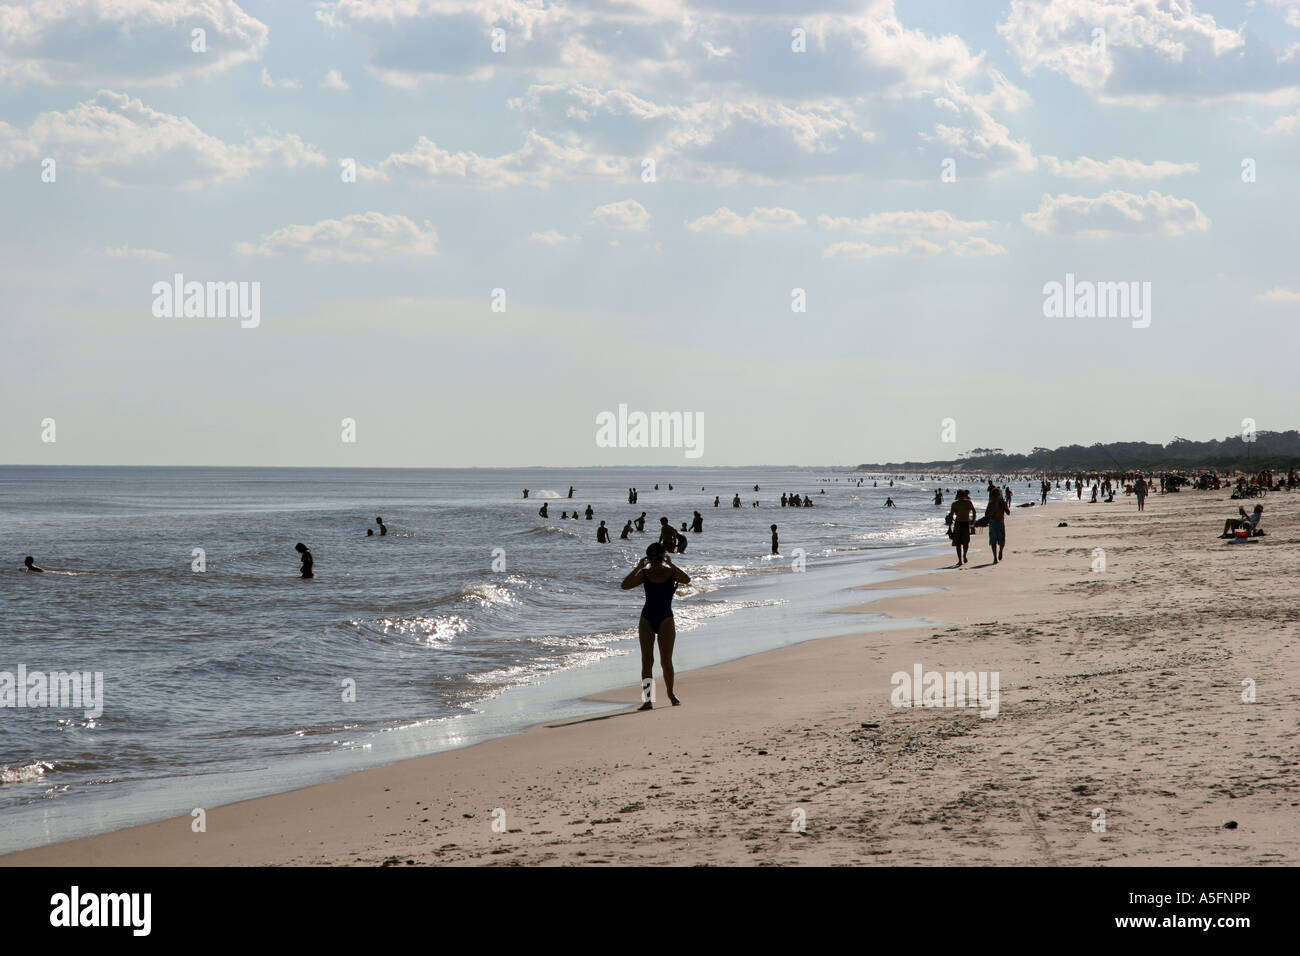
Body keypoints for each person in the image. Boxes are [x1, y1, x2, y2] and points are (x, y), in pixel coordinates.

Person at [620, 543, 689, 709]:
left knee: (666, 660)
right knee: (647, 660)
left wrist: (671, 563)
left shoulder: (671, 572)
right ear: (648, 559)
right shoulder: (645, 574)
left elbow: (687, 579)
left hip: (666, 619)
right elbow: (625, 585)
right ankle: (648, 700)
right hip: (647, 619)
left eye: (658, 559)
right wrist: (638, 567)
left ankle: (671, 693)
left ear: (663, 557)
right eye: (652, 559)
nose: (655, 562)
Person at [947, 491, 976, 567]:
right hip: (958, 524)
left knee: (966, 543)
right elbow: (951, 516)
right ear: (957, 496)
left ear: (964, 495)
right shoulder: (954, 504)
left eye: (962, 495)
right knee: (958, 543)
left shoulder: (968, 503)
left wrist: (973, 520)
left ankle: (964, 555)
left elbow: (974, 511)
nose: (961, 497)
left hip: (966, 523)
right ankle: (960, 560)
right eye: (959, 495)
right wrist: (949, 527)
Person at [985, 488, 1009, 564]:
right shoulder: (991, 503)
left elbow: (1008, 513)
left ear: (1000, 495)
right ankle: (995, 558)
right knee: (993, 541)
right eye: (995, 495)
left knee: (1002, 541)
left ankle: (1001, 550)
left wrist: (1004, 505)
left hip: (1000, 523)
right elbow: (986, 514)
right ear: (992, 496)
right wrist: (992, 512)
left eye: (998, 494)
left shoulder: (1003, 502)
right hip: (992, 523)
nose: (997, 496)